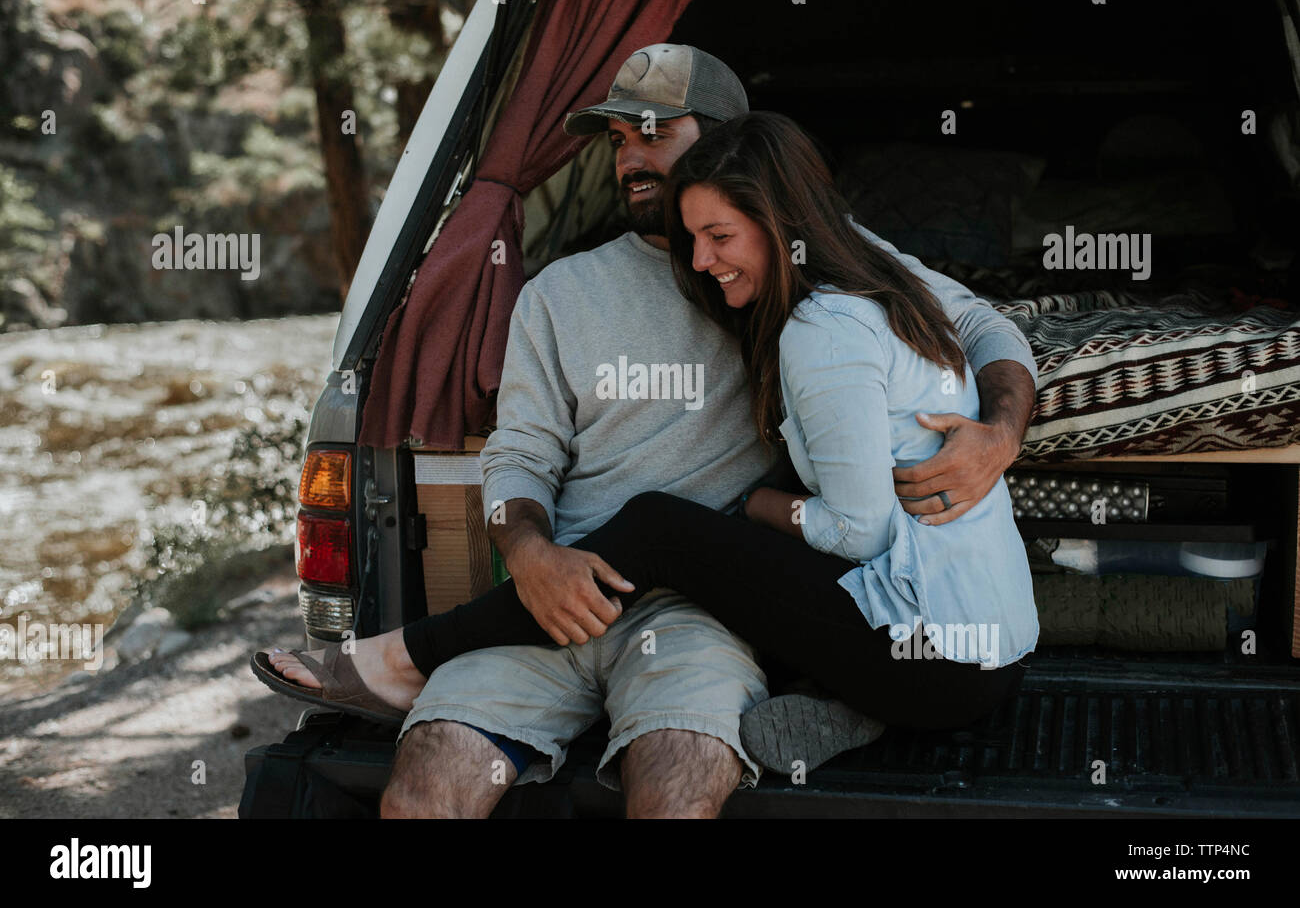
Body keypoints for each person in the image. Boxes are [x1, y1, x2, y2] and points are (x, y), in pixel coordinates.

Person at [253, 44, 1040, 817]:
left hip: (702, 612)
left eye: (654, 132)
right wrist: (526, 553)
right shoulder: (563, 292)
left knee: (678, 781)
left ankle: (406, 654)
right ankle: (409, 662)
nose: (629, 156)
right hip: (554, 595)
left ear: (729, 143)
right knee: (428, 782)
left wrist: (1000, 434)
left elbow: (978, 322)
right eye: (619, 137)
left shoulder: (802, 267)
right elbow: (519, 454)